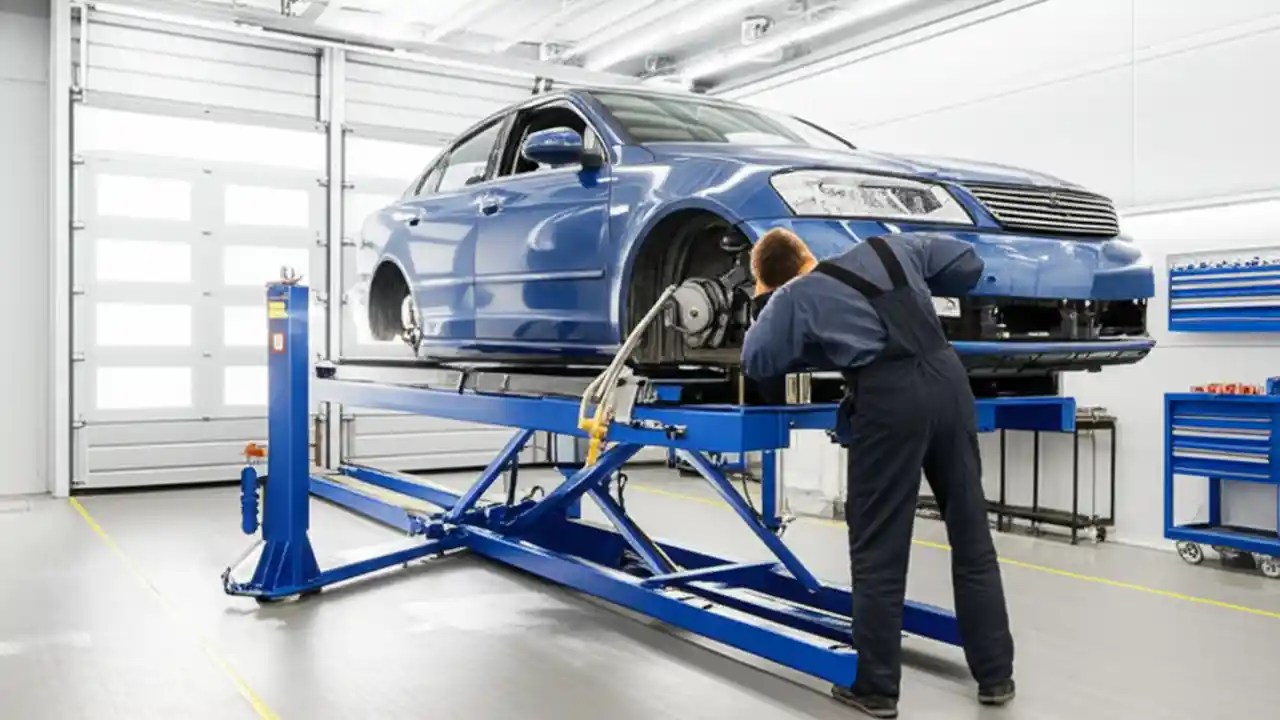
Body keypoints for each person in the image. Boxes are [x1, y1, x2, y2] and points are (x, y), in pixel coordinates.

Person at [742, 227, 1015, 719]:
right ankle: (996, 676)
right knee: (972, 535)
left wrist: (770, 309)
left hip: (890, 400)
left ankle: (877, 689)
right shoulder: (892, 246)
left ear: (769, 281)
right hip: (950, 380)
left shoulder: (794, 297)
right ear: (807, 253)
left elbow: (757, 360)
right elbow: (968, 263)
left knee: (879, 550)